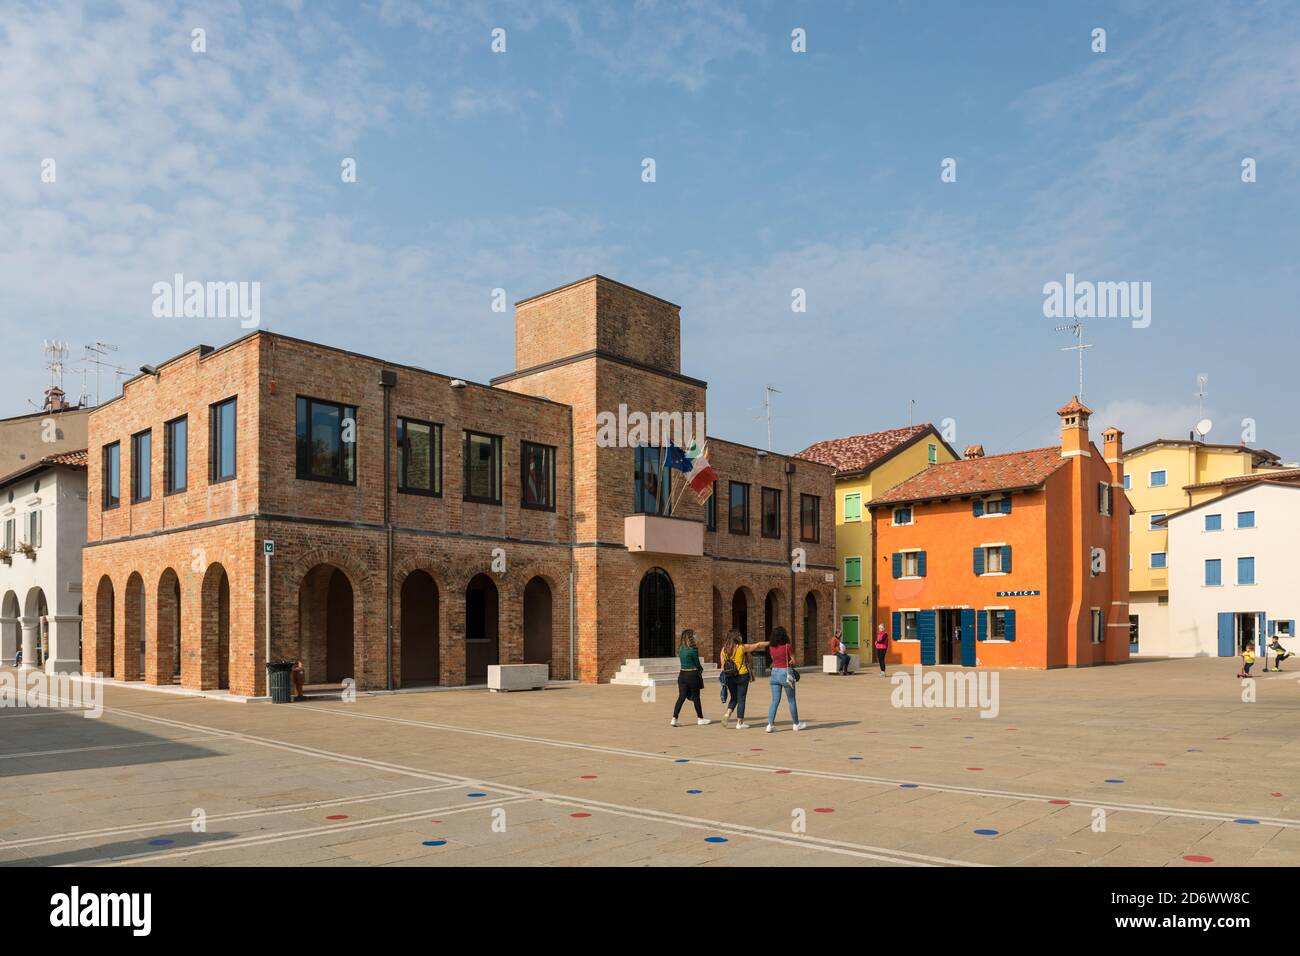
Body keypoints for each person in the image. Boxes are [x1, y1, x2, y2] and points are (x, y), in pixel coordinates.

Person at [719, 629, 769, 729]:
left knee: (734, 697)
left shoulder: (723, 650)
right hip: (742, 676)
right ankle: (739, 723)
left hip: (730, 677)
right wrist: (771, 642)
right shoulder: (742, 647)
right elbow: (757, 645)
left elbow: (722, 666)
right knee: (741, 699)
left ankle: (727, 714)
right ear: (737, 637)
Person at [766, 626, 806, 732]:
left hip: (774, 673)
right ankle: (796, 724)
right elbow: (793, 661)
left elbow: (773, 659)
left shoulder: (771, 647)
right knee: (791, 700)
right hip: (785, 673)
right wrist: (790, 661)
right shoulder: (787, 646)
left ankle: (770, 725)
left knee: (774, 701)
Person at [670, 629, 711, 726]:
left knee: (681, 697)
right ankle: (700, 718)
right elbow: (697, 663)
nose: (695, 636)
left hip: (682, 675)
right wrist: (701, 669)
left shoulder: (680, 649)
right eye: (694, 635)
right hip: (692, 675)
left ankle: (674, 718)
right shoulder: (693, 650)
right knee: (696, 697)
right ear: (690, 637)